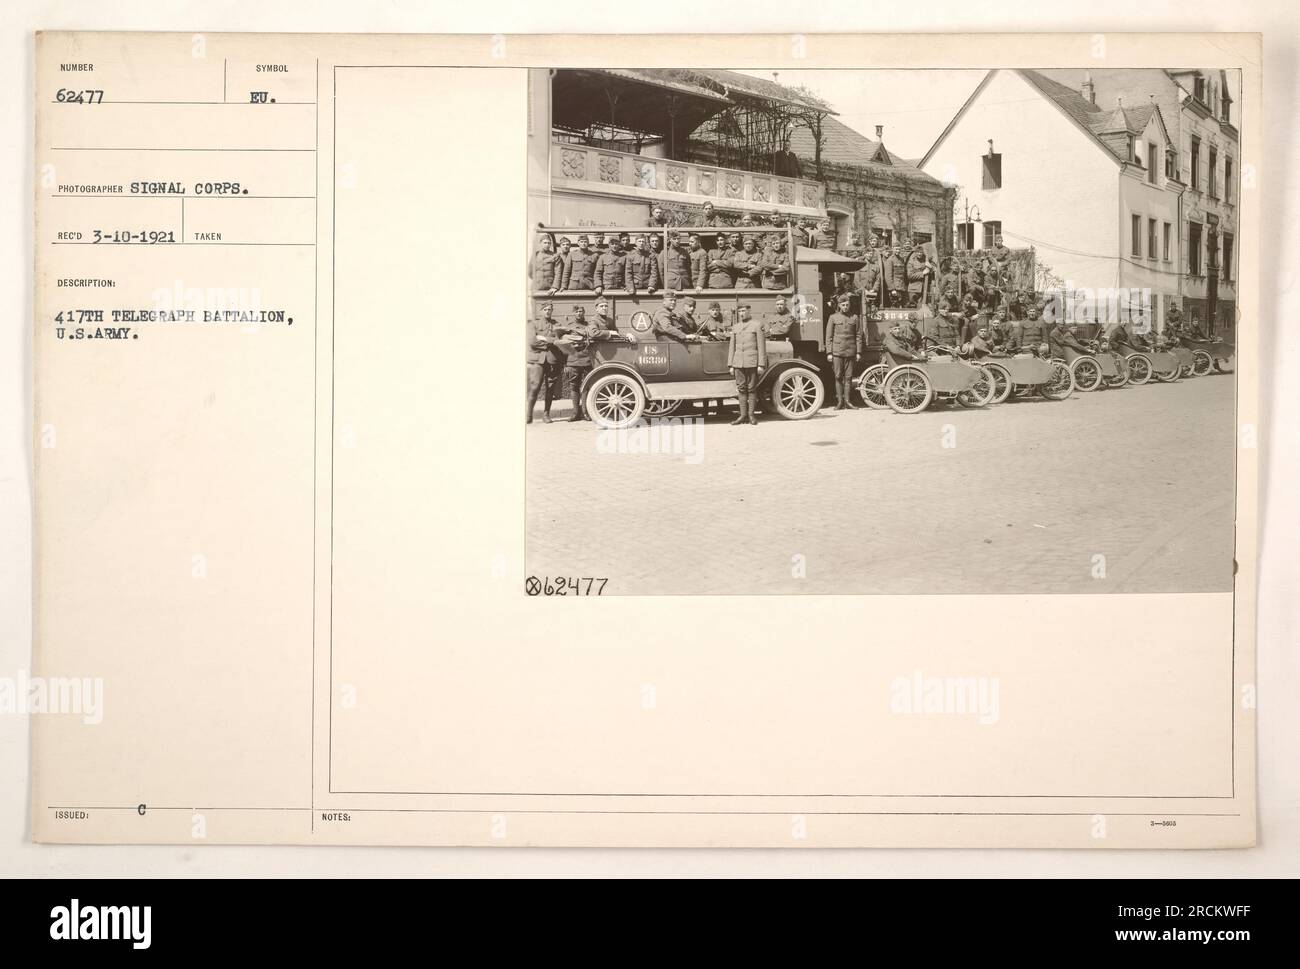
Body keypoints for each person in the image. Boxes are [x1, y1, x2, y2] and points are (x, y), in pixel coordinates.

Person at [554, 301, 629, 421]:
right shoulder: (568, 326)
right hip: (573, 359)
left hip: (587, 358)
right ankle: (575, 413)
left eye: (581, 311)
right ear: (573, 313)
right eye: (577, 311)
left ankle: (586, 412)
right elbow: (562, 344)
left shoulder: (588, 324)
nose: (579, 313)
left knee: (587, 386)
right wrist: (565, 362)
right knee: (574, 386)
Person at [727, 304, 767, 425]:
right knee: (741, 389)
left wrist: (761, 364)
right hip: (738, 362)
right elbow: (732, 346)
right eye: (740, 311)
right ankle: (742, 415)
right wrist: (731, 365)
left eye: (744, 311)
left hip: (752, 362)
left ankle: (751, 416)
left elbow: (761, 346)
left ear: (749, 311)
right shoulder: (735, 327)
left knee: (751, 388)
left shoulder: (757, 325)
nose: (742, 313)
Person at [824, 294, 864, 410]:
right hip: (837, 352)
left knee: (849, 377)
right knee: (837, 376)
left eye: (847, 305)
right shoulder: (833, 317)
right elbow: (829, 336)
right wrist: (829, 353)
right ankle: (840, 402)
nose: (845, 307)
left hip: (850, 351)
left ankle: (848, 401)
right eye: (843, 305)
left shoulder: (855, 318)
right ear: (839, 306)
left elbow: (858, 336)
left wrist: (858, 352)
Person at [525, 301, 562, 424]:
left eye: (550, 309)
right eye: (545, 309)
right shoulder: (534, 324)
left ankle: (546, 414)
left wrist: (544, 339)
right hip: (538, 361)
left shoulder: (557, 324)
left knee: (550, 389)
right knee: (534, 387)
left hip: (552, 360)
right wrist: (551, 342)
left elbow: (560, 340)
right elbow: (532, 342)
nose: (548, 311)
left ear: (552, 310)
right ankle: (528, 414)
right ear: (541, 311)